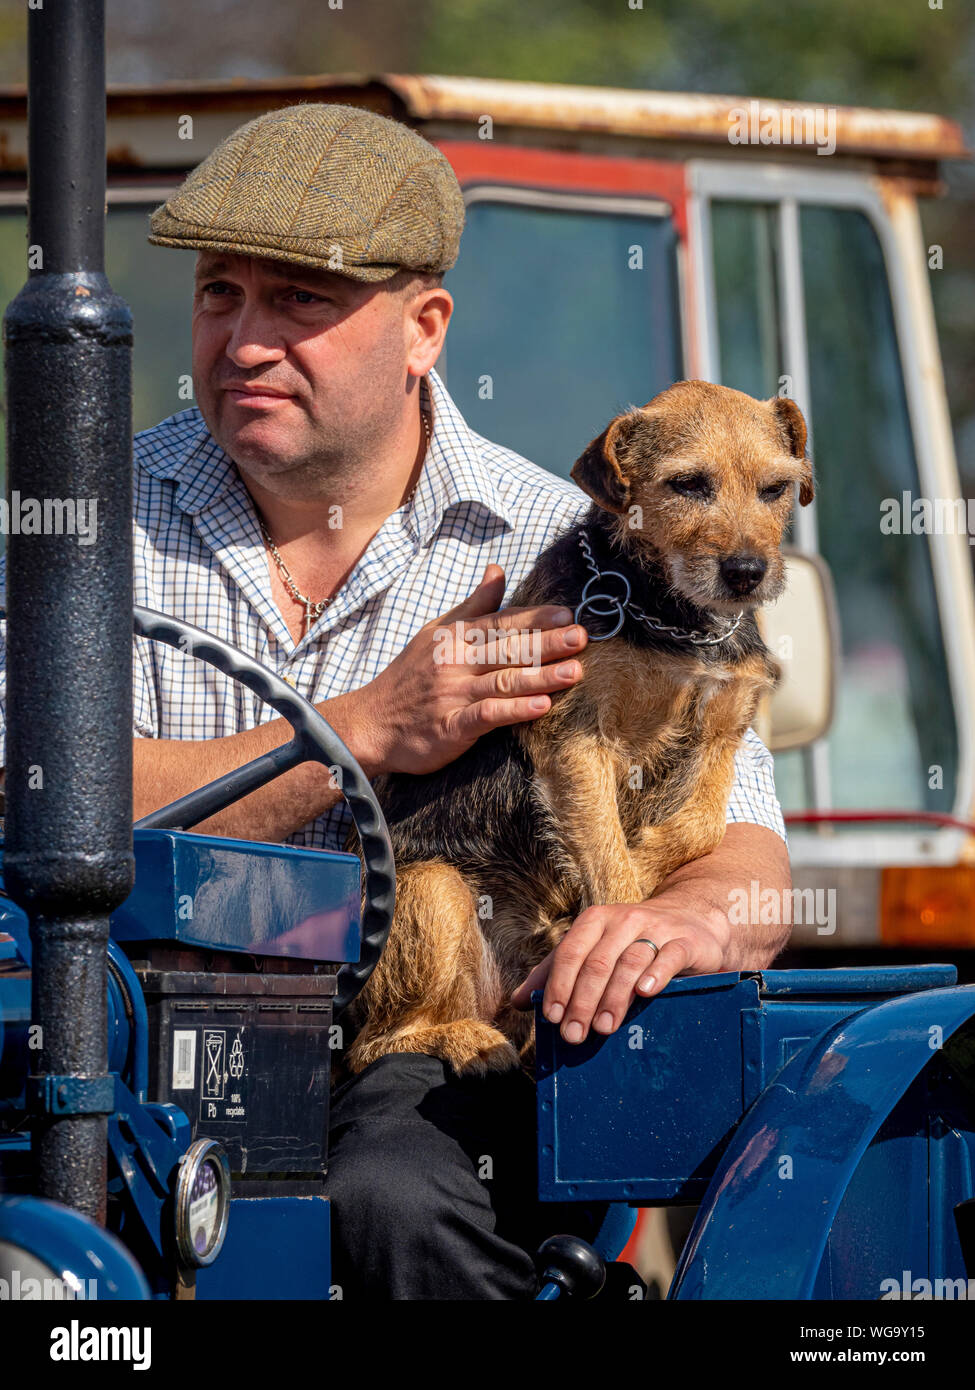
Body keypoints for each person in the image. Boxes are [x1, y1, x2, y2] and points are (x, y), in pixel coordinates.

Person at [0, 101, 792, 1299]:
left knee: (392, 1198)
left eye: (300, 302)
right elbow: (31, 799)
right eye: (221, 294)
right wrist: (362, 736)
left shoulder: (572, 538)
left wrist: (680, 923)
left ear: (426, 328)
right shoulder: (79, 516)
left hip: (446, 1032)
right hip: (116, 1033)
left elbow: (749, 854)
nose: (245, 341)